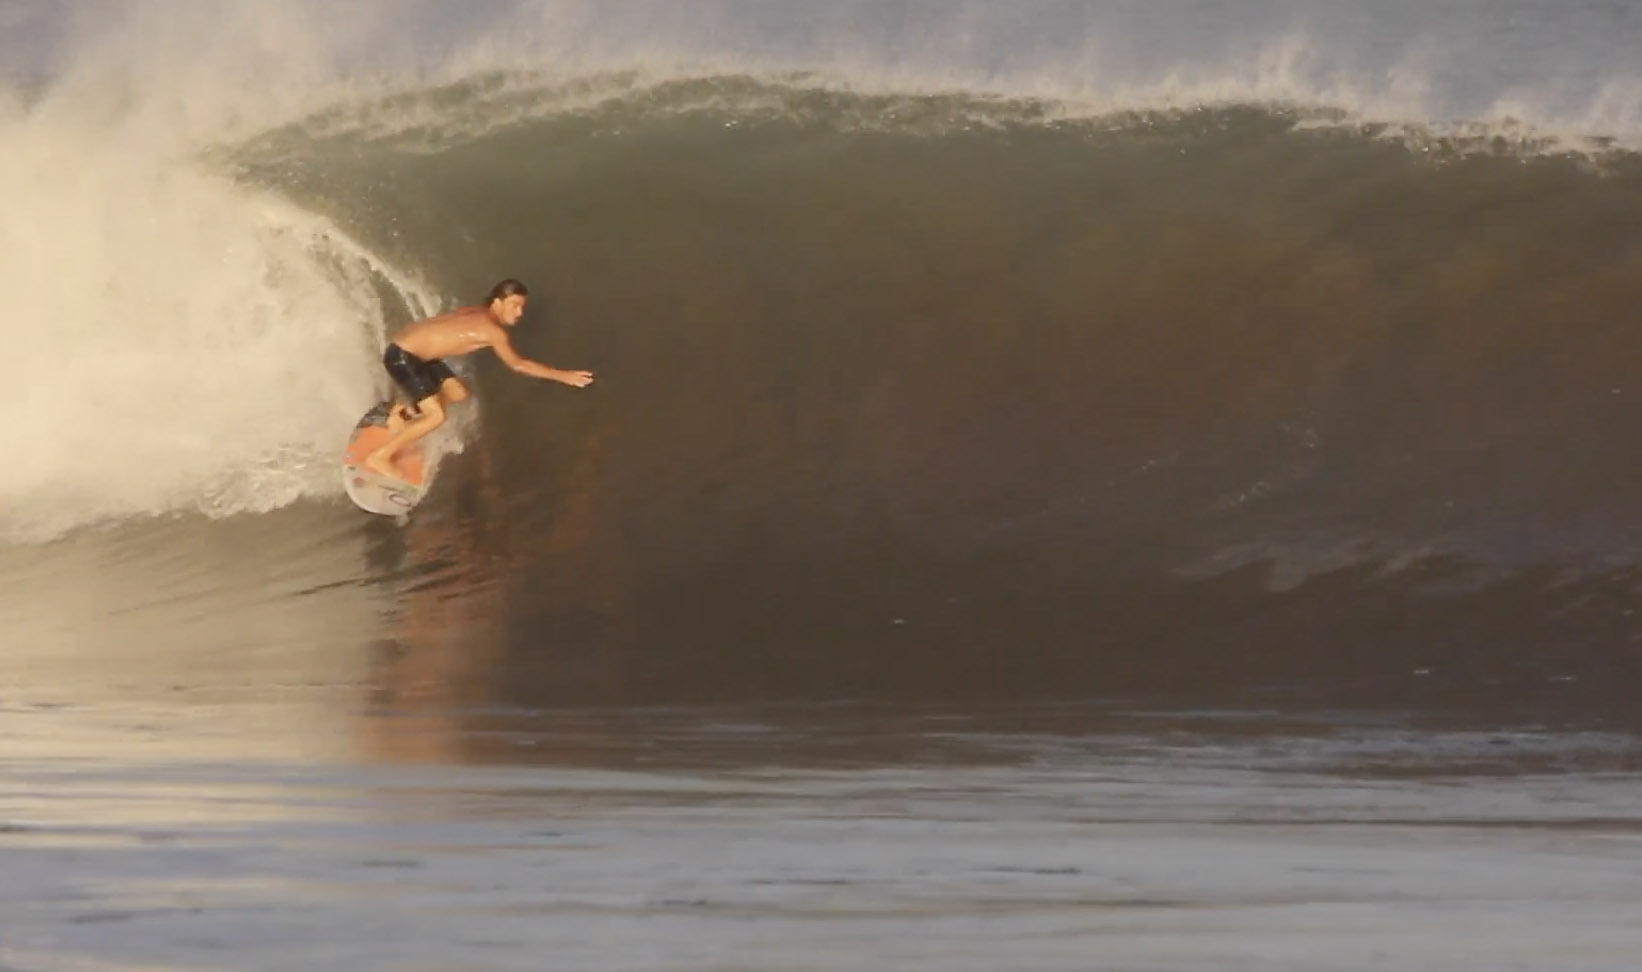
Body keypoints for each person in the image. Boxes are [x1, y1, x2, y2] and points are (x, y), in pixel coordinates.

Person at [365, 278, 595, 481]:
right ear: (497, 302)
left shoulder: (474, 311)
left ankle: (402, 414)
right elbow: (519, 364)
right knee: (437, 416)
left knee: (458, 393)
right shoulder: (494, 331)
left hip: (416, 353)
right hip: (404, 357)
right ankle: (379, 457)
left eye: (522, 307)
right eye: (514, 305)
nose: (519, 313)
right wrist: (564, 376)